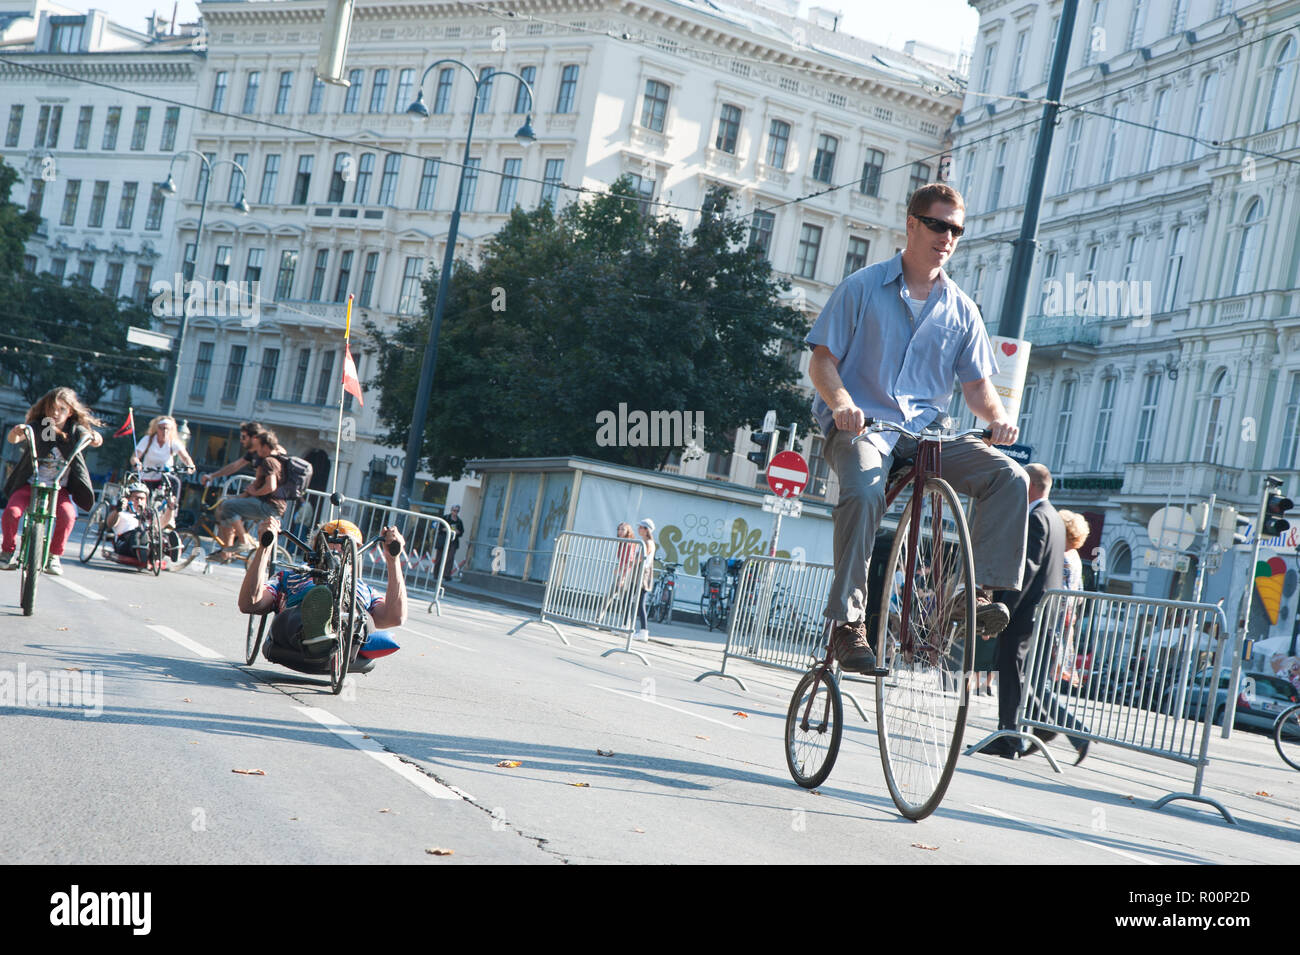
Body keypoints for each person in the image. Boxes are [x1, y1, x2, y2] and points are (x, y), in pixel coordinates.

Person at [805, 182, 1028, 673]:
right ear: (912, 223)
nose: (947, 236)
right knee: (865, 494)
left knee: (1010, 477)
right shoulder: (862, 287)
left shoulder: (962, 309)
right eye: (938, 224)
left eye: (956, 229)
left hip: (930, 435)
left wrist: (997, 419)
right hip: (864, 427)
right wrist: (842, 403)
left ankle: (974, 594)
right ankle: (847, 625)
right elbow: (821, 362)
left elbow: (976, 387)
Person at [979, 464, 1087, 763]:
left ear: (1029, 485)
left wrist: (1001, 614)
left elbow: (1025, 572)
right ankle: (1036, 726)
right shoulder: (1051, 515)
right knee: (1020, 676)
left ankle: (1010, 736)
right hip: (1038, 614)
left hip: (1025, 612)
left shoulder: (1037, 517)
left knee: (1012, 673)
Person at [238, 516, 408, 674]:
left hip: (351, 626)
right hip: (298, 623)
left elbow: (395, 617)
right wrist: (264, 547)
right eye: (331, 542)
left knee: (362, 620)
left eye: (346, 544)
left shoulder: (365, 590)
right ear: (316, 547)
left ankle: (330, 630)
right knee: (300, 611)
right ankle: (317, 631)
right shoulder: (289, 576)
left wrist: (393, 559)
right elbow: (250, 603)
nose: (338, 548)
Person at [1, 387, 104, 575]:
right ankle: (7, 552)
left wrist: (96, 438)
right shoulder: (40, 425)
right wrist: (17, 431)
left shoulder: (74, 429)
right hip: (31, 485)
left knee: (68, 515)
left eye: (62, 409)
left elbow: (94, 439)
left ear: (70, 411)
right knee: (12, 512)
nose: (56, 413)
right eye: (52, 408)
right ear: (45, 409)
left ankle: (54, 556)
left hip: (58, 489)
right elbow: (14, 438)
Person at [212, 429, 288, 561]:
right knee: (224, 509)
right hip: (267, 504)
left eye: (258, 446)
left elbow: (271, 486)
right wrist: (240, 496)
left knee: (228, 506)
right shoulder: (271, 460)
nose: (256, 450)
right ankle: (227, 551)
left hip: (269, 506)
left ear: (265, 447)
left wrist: (254, 492)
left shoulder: (268, 461)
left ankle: (243, 542)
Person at [130, 415, 195, 530]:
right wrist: (137, 463)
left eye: (167, 429)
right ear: (156, 428)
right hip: (148, 475)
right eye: (161, 428)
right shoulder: (148, 440)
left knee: (175, 482)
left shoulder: (173, 442)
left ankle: (172, 514)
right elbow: (135, 456)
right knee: (144, 498)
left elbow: (185, 456)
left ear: (171, 430)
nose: (164, 431)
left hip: (164, 475)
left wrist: (190, 465)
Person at [200, 421, 263, 488]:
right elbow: (234, 466)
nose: (241, 440)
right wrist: (212, 475)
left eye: (243, 437)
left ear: (254, 438)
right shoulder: (253, 452)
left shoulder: (264, 452)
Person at [598, 522, 638, 623]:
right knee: (611, 597)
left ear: (628, 531)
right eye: (619, 529)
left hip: (626, 574)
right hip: (622, 573)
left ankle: (626, 623)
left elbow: (630, 561)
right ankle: (598, 619)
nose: (620, 531)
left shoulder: (629, 544)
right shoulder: (622, 542)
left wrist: (623, 576)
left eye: (623, 529)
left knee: (621, 601)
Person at [106, 482, 153, 565]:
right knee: (137, 533)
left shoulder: (148, 516)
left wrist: (170, 509)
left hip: (147, 541)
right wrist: (118, 509)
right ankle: (142, 551)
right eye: (136, 498)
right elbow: (109, 523)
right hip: (125, 544)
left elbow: (162, 523)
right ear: (129, 499)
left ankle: (171, 549)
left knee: (157, 535)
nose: (139, 501)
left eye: (142, 499)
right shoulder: (122, 513)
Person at [634, 518, 656, 642]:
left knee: (640, 602)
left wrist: (631, 564)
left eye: (641, 527)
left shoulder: (648, 543)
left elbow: (642, 558)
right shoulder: (645, 541)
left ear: (646, 530)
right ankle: (628, 626)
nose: (639, 529)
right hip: (640, 573)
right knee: (633, 600)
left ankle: (643, 631)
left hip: (643, 574)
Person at [438, 504, 464, 580]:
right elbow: (440, 528)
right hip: (443, 540)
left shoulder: (459, 521)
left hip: (453, 541)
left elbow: (461, 531)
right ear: (451, 510)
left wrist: (457, 532)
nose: (455, 512)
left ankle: (446, 574)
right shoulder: (445, 518)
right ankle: (437, 574)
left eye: (457, 511)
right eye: (454, 510)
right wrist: (448, 529)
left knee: (450, 558)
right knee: (440, 557)